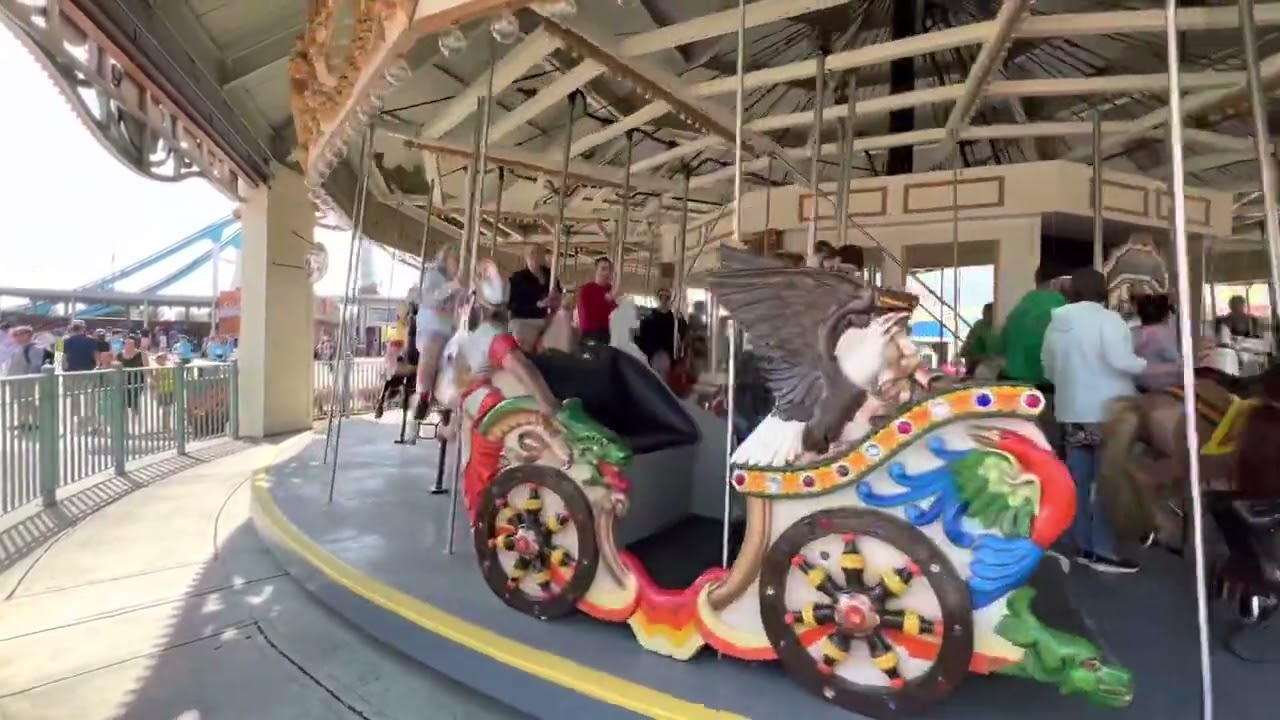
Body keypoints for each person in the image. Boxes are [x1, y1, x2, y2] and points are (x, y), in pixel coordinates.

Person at [1042, 268, 1177, 574]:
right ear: (1102, 291)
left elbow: (1049, 370)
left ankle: (1083, 545)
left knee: (1078, 480)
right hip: (1107, 411)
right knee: (1108, 481)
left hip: (1072, 411)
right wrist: (1154, 365)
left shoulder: (1057, 324)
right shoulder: (1109, 320)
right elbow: (1122, 362)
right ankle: (1104, 549)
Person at [414, 246, 463, 414]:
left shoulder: (463, 283)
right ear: (447, 259)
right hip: (433, 328)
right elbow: (430, 299)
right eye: (457, 259)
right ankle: (424, 394)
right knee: (432, 349)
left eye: (463, 261)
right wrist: (453, 286)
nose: (460, 264)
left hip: (454, 330)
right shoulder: (433, 276)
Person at [507, 244, 561, 351]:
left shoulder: (551, 276)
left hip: (546, 319)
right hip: (525, 320)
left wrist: (557, 301)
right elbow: (512, 305)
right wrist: (538, 305)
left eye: (539, 253)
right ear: (526, 257)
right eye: (532, 253)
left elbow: (558, 294)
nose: (536, 256)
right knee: (525, 349)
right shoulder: (518, 278)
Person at [1130, 293, 1180, 390]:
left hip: (1138, 383)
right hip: (1163, 386)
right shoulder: (1164, 333)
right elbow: (1175, 359)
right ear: (1166, 313)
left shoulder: (1133, 332)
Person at [636, 288, 687, 377]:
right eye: (661, 297)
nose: (664, 300)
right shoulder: (651, 315)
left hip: (666, 352)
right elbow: (643, 334)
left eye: (666, 297)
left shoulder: (674, 318)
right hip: (652, 352)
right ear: (658, 298)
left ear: (669, 299)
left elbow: (682, 332)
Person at [576, 257, 617, 345]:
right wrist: (606, 301)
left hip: (606, 334)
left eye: (609, 270)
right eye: (603, 269)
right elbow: (588, 314)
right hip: (591, 334)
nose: (606, 273)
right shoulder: (587, 289)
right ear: (596, 271)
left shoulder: (610, 290)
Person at [958, 302, 998, 377]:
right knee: (967, 351)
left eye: (987, 313)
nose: (984, 316)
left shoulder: (996, 326)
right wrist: (964, 350)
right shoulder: (978, 325)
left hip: (989, 357)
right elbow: (969, 339)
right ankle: (969, 373)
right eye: (983, 313)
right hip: (976, 355)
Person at [117, 335, 148, 422]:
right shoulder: (119, 355)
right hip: (123, 382)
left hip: (137, 381)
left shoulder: (140, 354)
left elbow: (146, 367)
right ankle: (124, 422)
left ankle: (136, 421)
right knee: (123, 402)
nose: (128, 346)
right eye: (126, 344)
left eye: (130, 344)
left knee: (135, 401)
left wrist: (147, 380)